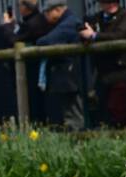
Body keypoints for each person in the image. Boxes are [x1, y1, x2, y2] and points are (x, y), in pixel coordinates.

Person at [81, 0, 126, 127]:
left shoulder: (125, 15)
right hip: (102, 71)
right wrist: (85, 35)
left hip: (120, 69)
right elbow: (86, 34)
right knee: (103, 108)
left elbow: (120, 34)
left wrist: (94, 36)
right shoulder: (98, 17)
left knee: (119, 107)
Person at [35, 0, 84, 130]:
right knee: (71, 113)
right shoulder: (67, 21)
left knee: (73, 116)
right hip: (70, 76)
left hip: (71, 76)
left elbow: (45, 41)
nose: (45, 16)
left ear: (56, 10)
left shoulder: (69, 23)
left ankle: (78, 142)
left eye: (47, 12)